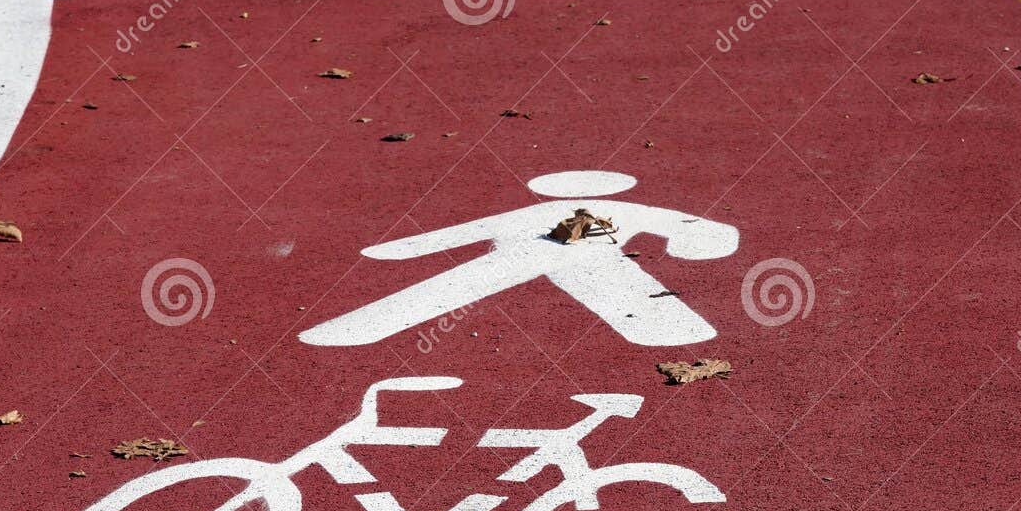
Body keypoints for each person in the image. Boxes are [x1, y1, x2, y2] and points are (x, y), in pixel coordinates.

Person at [299, 170, 739, 348]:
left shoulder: (561, 211)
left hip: (558, 258)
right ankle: (669, 329)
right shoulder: (610, 210)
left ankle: (356, 329)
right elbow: (692, 230)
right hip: (570, 258)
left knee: (450, 288)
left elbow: (466, 232)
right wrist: (696, 248)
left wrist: (400, 250)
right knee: (451, 289)